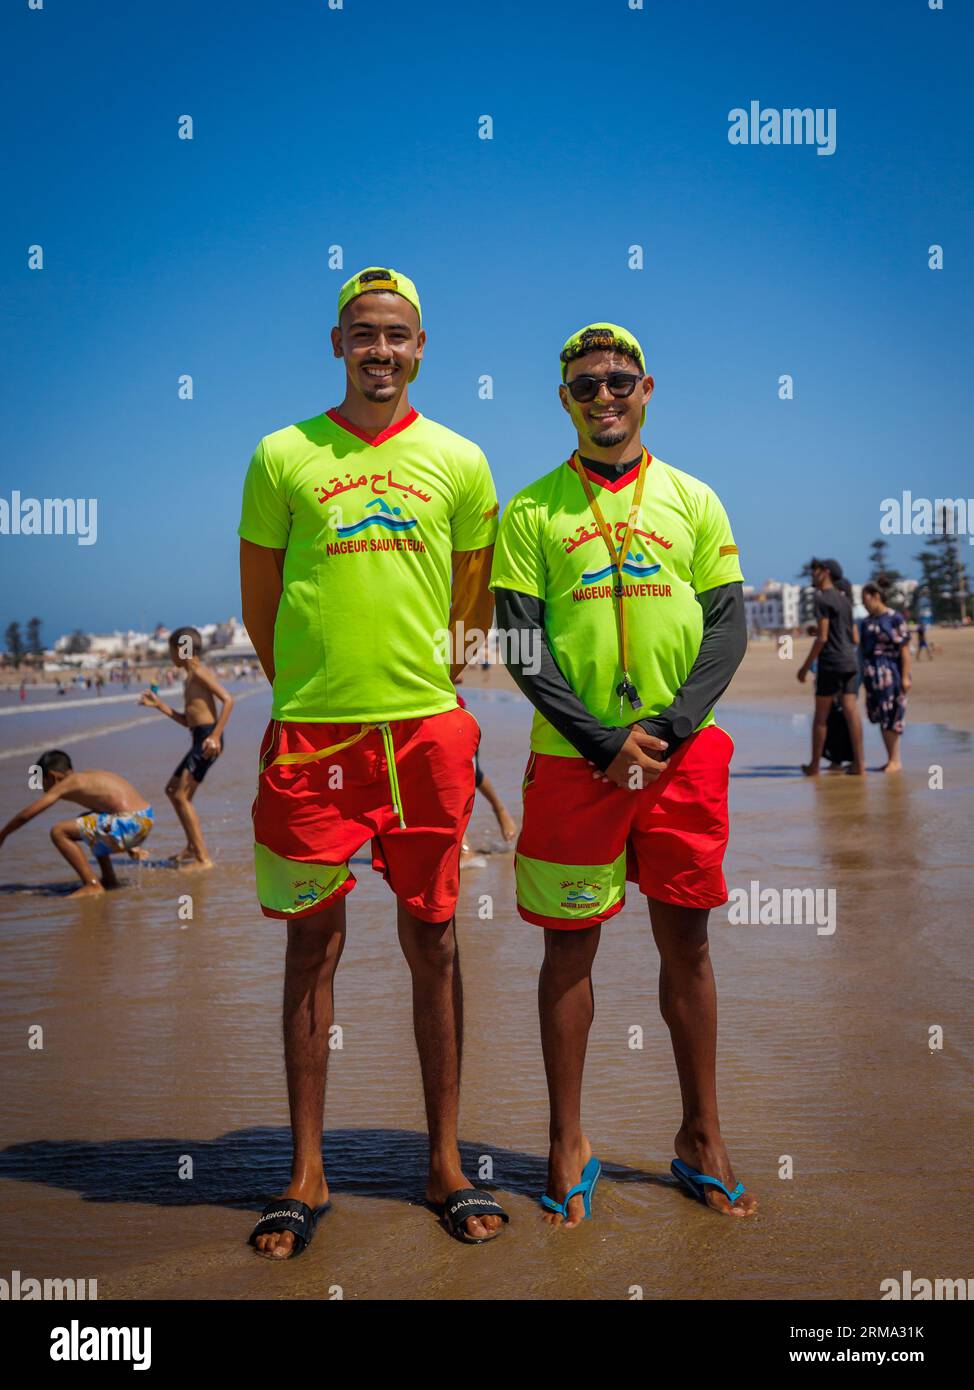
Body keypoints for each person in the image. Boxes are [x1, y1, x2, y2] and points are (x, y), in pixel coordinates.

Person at [238, 265, 507, 1257]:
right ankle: (305, 1172)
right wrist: (311, 692)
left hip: (424, 734)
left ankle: (443, 1160)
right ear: (337, 343)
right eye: (362, 333)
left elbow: (470, 601)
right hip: (314, 735)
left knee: (431, 938)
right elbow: (263, 601)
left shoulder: (459, 459)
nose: (379, 349)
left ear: (420, 346)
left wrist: (425, 689)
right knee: (310, 944)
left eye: (396, 334)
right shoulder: (280, 455)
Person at [491, 322, 756, 1223]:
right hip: (577, 763)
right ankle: (569, 1140)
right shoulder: (530, 511)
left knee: (688, 942)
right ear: (562, 399)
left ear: (648, 389)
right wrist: (603, 740)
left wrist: (673, 728)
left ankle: (702, 1136)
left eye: (619, 381)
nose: (604, 397)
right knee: (570, 945)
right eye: (584, 385)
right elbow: (520, 641)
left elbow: (729, 626)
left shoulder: (694, 498)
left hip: (684, 758)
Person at [138, 627, 233, 869]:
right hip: (199, 736)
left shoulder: (199, 672)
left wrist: (216, 736)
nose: (171, 657)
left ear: (182, 650)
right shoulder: (190, 677)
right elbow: (188, 721)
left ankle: (203, 858)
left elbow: (229, 700)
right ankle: (192, 847)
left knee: (180, 795)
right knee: (174, 791)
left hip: (208, 740)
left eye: (171, 651)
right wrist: (160, 706)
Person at [0, 750, 153, 896]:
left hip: (128, 824)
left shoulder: (67, 783)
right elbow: (115, 806)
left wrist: (4, 834)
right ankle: (109, 879)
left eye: (42, 782)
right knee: (87, 819)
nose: (43, 789)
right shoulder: (88, 776)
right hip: (144, 819)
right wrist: (132, 848)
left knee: (59, 831)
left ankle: (92, 885)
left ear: (52, 777)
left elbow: (27, 815)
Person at [797, 559, 864, 776]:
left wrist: (805, 667)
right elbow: (853, 636)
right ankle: (860, 765)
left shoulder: (822, 598)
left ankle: (814, 766)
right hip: (850, 662)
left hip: (831, 663)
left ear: (825, 572)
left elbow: (823, 638)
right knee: (852, 713)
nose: (812, 575)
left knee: (821, 716)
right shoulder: (845, 600)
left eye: (815, 571)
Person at [454, 679, 517, 860]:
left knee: (471, 775)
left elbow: (456, 669)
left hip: (454, 719)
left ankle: (499, 809)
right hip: (409, 719)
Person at [860, 583, 911, 771]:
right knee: (881, 716)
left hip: (891, 672)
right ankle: (890, 758)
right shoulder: (866, 622)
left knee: (892, 715)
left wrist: (905, 677)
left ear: (876, 596)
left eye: (865, 599)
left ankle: (896, 760)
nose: (864, 604)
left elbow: (904, 649)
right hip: (872, 675)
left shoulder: (894, 618)